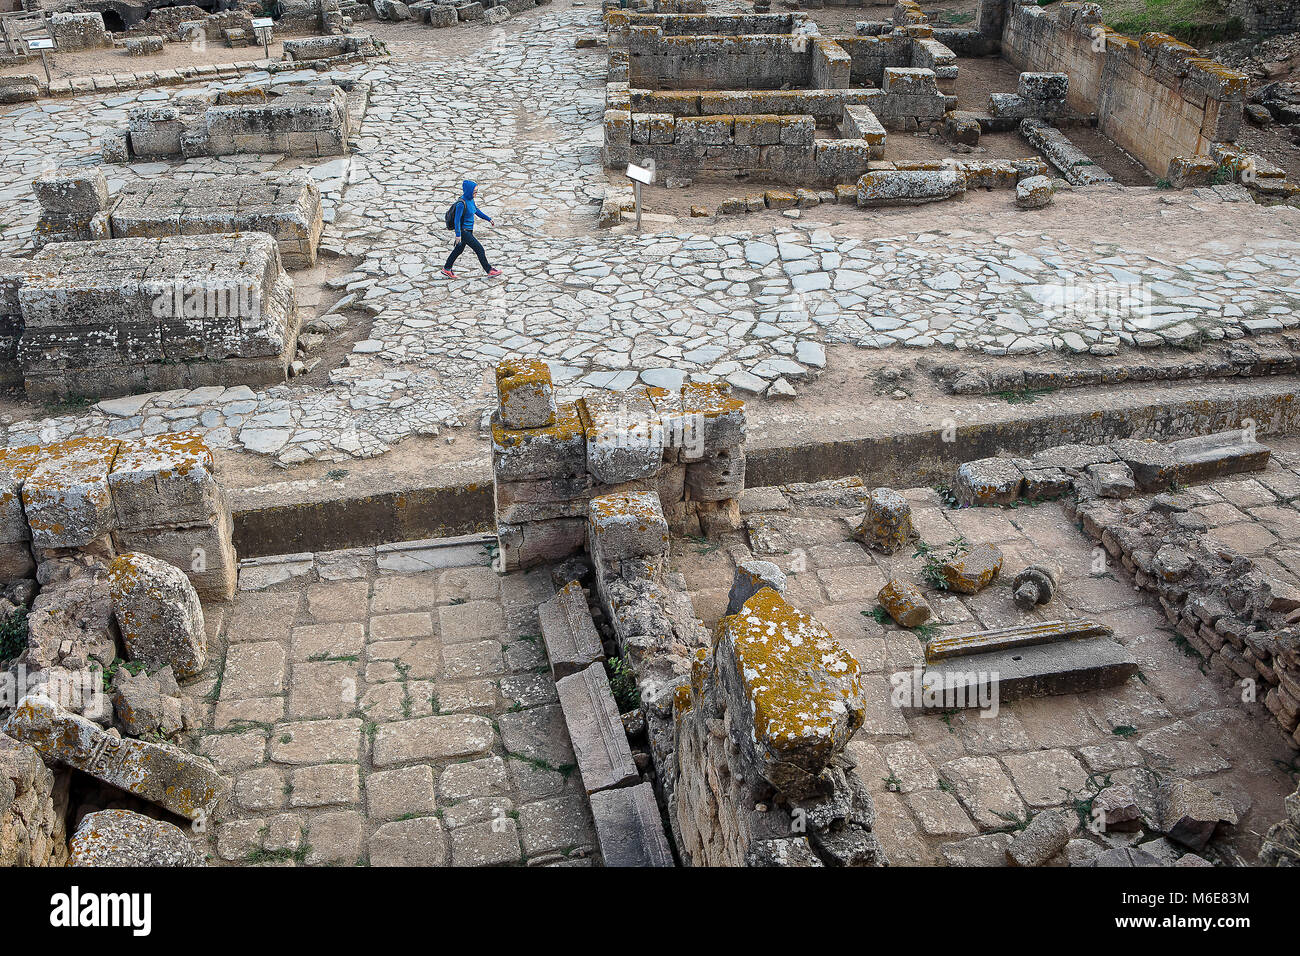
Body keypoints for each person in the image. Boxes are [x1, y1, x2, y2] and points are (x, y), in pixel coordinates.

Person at [442, 180, 502, 279]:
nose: (476, 193)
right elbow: (457, 220)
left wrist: (488, 219)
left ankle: (447, 269)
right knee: (479, 249)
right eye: (475, 191)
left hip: (469, 230)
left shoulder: (471, 200)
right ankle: (489, 270)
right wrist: (458, 235)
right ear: (469, 191)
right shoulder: (461, 204)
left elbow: (476, 211)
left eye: (477, 191)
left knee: (458, 250)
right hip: (464, 232)